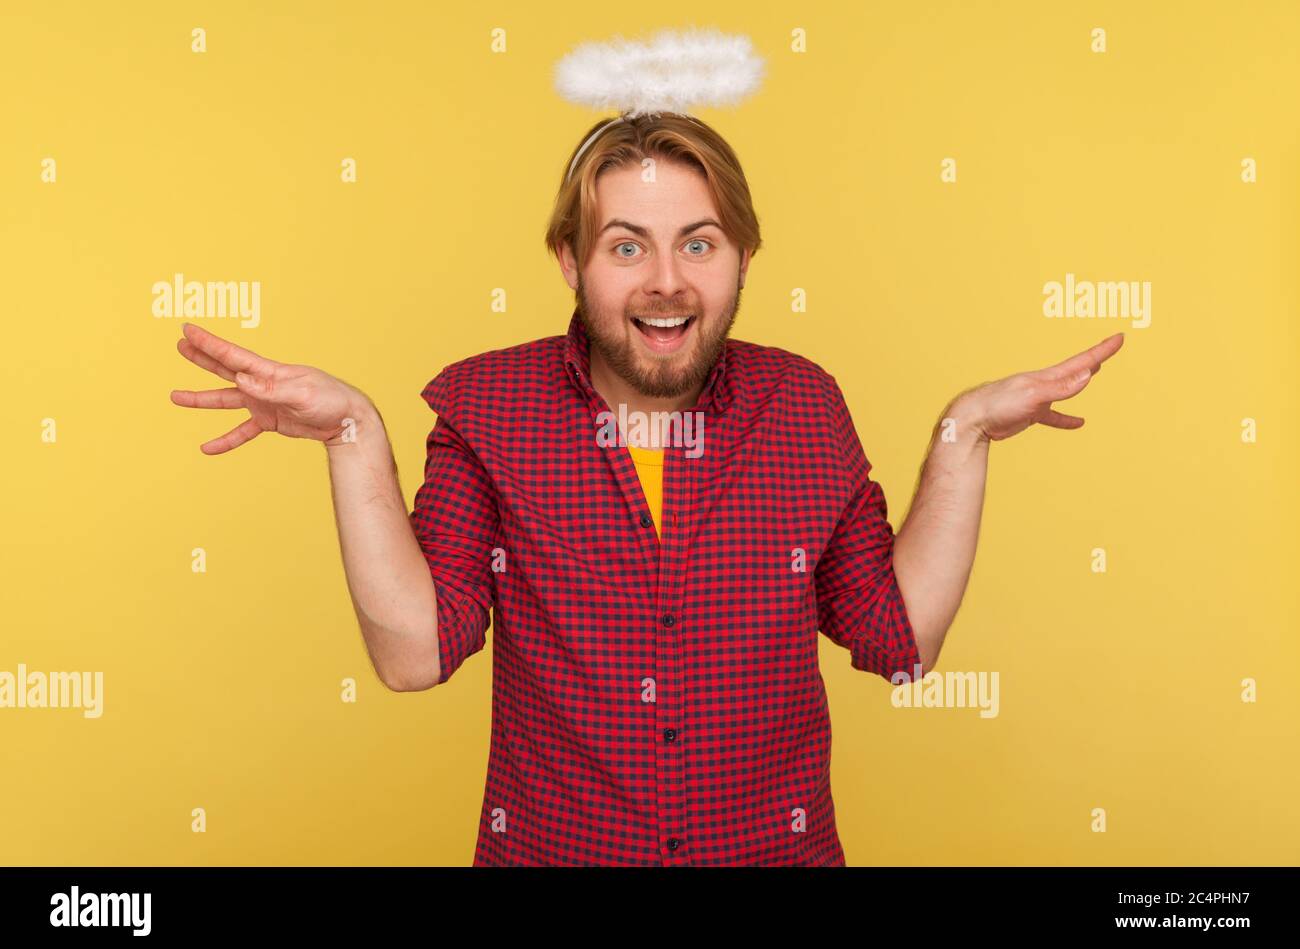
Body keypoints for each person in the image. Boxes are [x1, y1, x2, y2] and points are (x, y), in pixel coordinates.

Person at [169, 112, 1124, 865]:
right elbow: (415, 655)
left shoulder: (805, 405)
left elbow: (894, 639)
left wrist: (962, 437)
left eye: (698, 244)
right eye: (626, 247)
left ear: (743, 255)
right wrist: (351, 436)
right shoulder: (487, 407)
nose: (666, 282)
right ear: (570, 262)